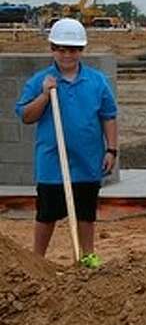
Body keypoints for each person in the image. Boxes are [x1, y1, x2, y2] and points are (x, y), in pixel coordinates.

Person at [14, 19, 117, 267]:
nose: (67, 55)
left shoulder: (97, 81)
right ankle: (37, 260)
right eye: (61, 49)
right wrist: (44, 95)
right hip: (52, 161)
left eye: (72, 50)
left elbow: (108, 116)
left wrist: (111, 149)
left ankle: (87, 256)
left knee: (85, 212)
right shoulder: (41, 80)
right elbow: (26, 116)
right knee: (47, 213)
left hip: (87, 159)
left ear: (81, 51)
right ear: (52, 49)